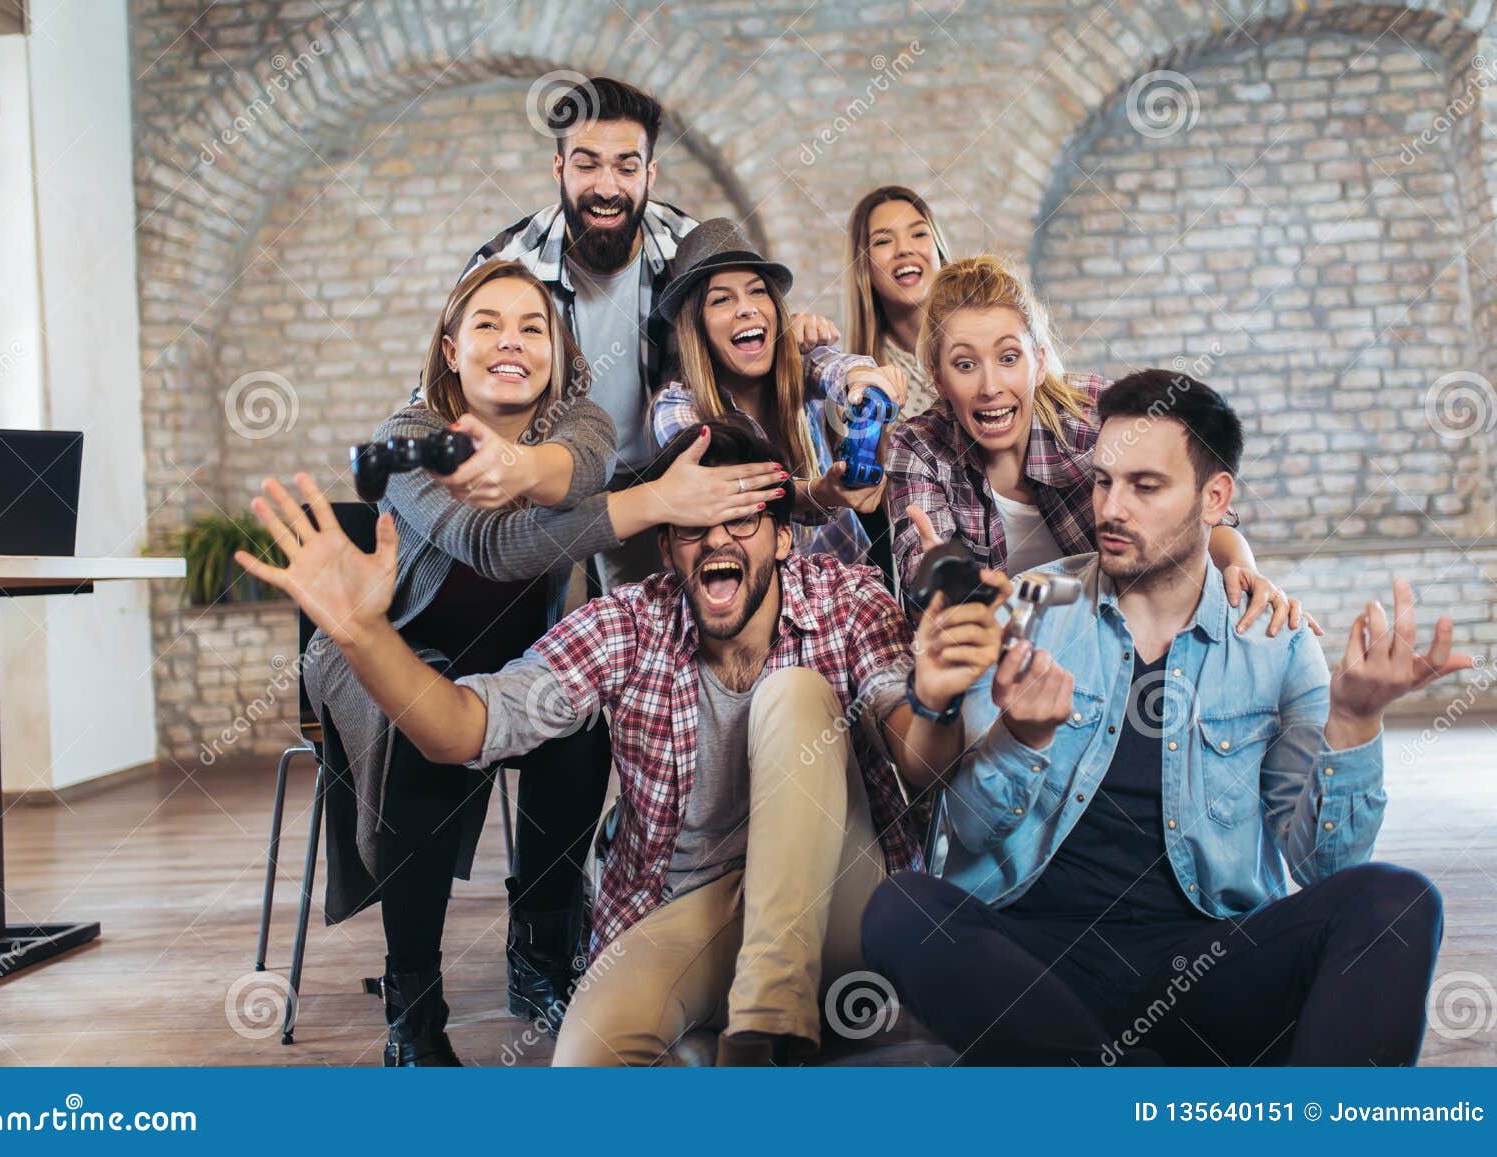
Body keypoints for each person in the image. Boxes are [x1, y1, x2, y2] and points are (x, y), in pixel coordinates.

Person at [237, 420, 1011, 1067]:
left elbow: (920, 764)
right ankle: (757, 1047)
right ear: (669, 547)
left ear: (782, 539)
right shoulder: (629, 623)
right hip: (694, 905)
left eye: (742, 518)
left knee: (796, 693)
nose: (719, 539)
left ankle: (762, 1033)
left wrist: (933, 695)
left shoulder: (846, 596)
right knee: (587, 1062)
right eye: (694, 524)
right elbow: (462, 731)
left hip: (842, 897)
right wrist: (364, 634)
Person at [861, 369, 1472, 1066]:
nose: (1111, 508)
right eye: (1102, 482)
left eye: (1145, 486)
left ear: (1215, 498)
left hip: (1206, 962)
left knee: (1398, 900)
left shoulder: (1276, 639)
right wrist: (1019, 738)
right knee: (899, 908)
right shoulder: (1031, 605)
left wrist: (1357, 719)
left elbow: (1324, 862)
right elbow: (970, 829)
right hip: (1038, 964)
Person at [303, 261, 791, 1065]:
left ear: (557, 357)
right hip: (382, 649)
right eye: (489, 325)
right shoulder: (412, 437)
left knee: (582, 727)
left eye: (533, 327)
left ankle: (538, 948)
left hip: (519, 658)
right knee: (425, 743)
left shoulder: (583, 422)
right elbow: (495, 547)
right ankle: (414, 1008)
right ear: (452, 348)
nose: (512, 342)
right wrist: (659, 500)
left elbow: (580, 473)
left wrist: (527, 470)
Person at [887, 255, 1314, 635]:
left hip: (1116, 639)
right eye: (965, 365)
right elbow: (928, 589)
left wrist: (1242, 566)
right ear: (938, 378)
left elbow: (1199, 514)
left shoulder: (1094, 411)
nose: (990, 387)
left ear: (1039, 362)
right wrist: (943, 580)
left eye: (1009, 358)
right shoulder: (919, 446)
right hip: (999, 658)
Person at [461, 75, 696, 590]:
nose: (607, 187)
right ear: (559, 167)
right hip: (540, 479)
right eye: (587, 163)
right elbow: (443, 386)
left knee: (658, 630)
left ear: (649, 173)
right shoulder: (505, 264)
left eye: (626, 167)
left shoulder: (690, 254)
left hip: (661, 473)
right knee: (529, 629)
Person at [652, 217, 908, 582]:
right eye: (722, 299)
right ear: (697, 327)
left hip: (848, 582)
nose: (747, 308)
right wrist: (820, 493)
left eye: (758, 292)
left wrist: (866, 379)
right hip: (754, 598)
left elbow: (836, 367)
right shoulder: (676, 408)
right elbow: (733, 491)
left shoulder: (799, 364)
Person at [842, 185, 951, 585]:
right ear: (864, 267)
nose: (905, 249)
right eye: (883, 241)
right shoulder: (857, 390)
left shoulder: (989, 353)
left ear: (938, 248)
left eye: (919, 233)